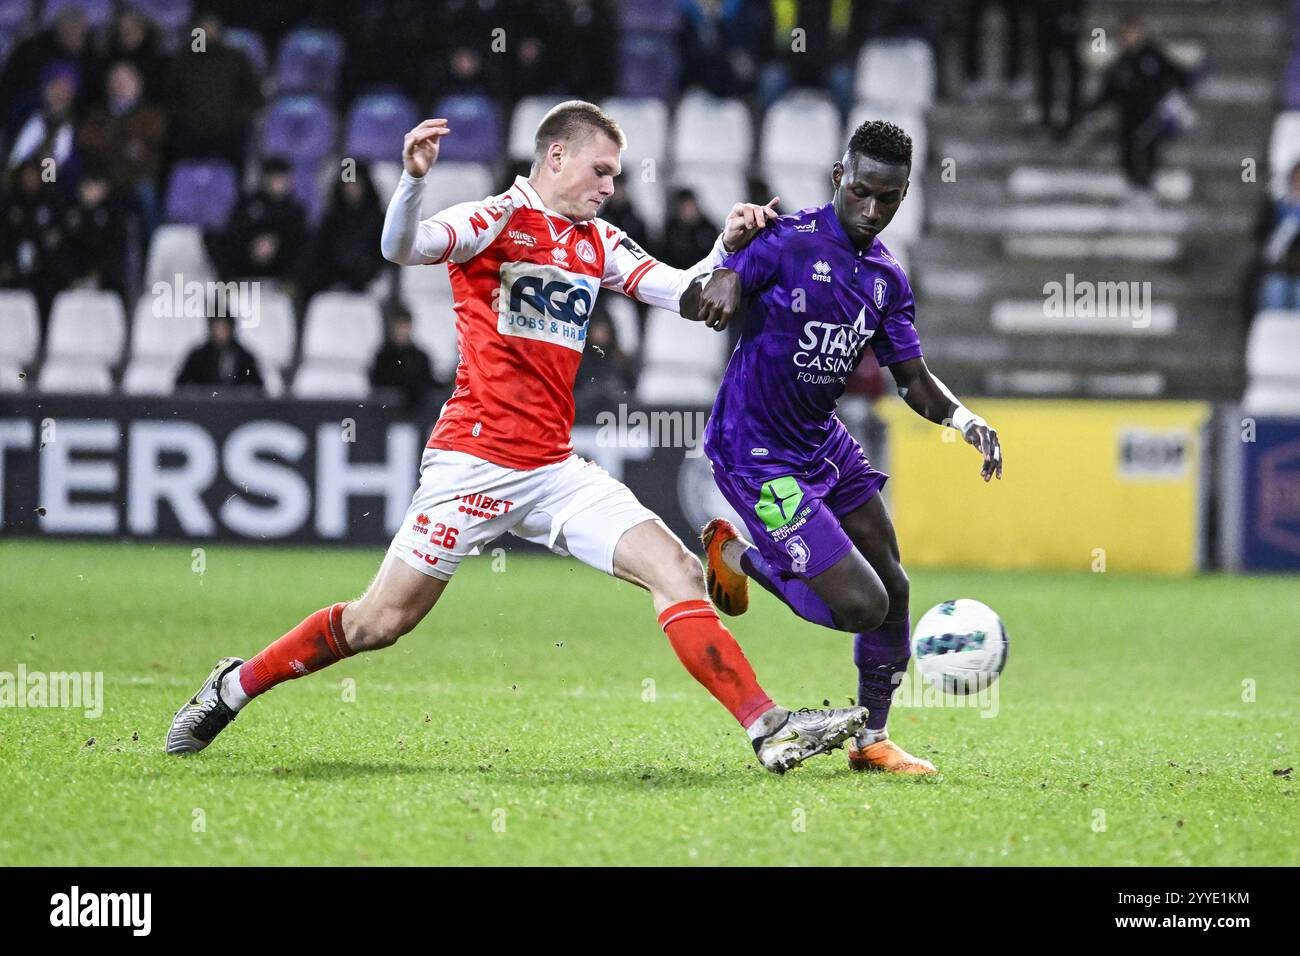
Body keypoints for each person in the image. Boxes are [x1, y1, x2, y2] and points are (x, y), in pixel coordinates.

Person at [166, 100, 867, 773]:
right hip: (471, 464)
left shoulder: (599, 242)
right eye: (601, 170)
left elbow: (684, 295)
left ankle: (766, 728)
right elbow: (401, 245)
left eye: (616, 174)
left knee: (678, 570)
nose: (611, 185)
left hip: (554, 470)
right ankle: (234, 685)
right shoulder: (494, 219)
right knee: (378, 624)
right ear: (556, 156)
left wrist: (725, 247)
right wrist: (412, 181)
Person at [682, 120, 1004, 775]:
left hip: (822, 443)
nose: (872, 209)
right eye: (861, 192)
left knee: (896, 585)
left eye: (889, 198)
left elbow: (911, 381)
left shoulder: (886, 277)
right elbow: (722, 287)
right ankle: (736, 556)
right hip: (754, 453)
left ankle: (871, 740)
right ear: (838, 178)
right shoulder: (785, 240)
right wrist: (720, 278)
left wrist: (966, 422)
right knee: (861, 606)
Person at [1079, 16, 1192, 189]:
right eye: (1126, 34)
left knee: (1148, 149)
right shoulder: (1120, 61)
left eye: (1133, 33)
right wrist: (1089, 108)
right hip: (1128, 116)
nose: (1129, 38)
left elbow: (1179, 76)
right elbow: (1108, 92)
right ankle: (1133, 184)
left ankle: (1148, 182)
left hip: (1151, 115)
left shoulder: (1154, 56)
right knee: (1127, 150)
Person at [209, 157, 308, 282]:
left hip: (281, 271)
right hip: (244, 266)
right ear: (265, 179)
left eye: (283, 178)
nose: (280, 183)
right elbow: (234, 234)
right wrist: (253, 245)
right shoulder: (247, 204)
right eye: (275, 177)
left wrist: (276, 245)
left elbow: (299, 242)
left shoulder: (296, 211)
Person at [369, 304, 441, 409]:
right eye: (398, 326)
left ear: (410, 327)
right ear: (392, 328)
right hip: (387, 412)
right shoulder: (383, 357)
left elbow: (429, 382)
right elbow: (380, 383)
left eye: (404, 325)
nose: (401, 330)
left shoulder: (420, 356)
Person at [176, 314, 264, 392]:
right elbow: (181, 386)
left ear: (231, 328)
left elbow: (258, 388)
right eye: (217, 327)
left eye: (224, 327)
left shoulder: (244, 357)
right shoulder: (197, 357)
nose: (220, 332)